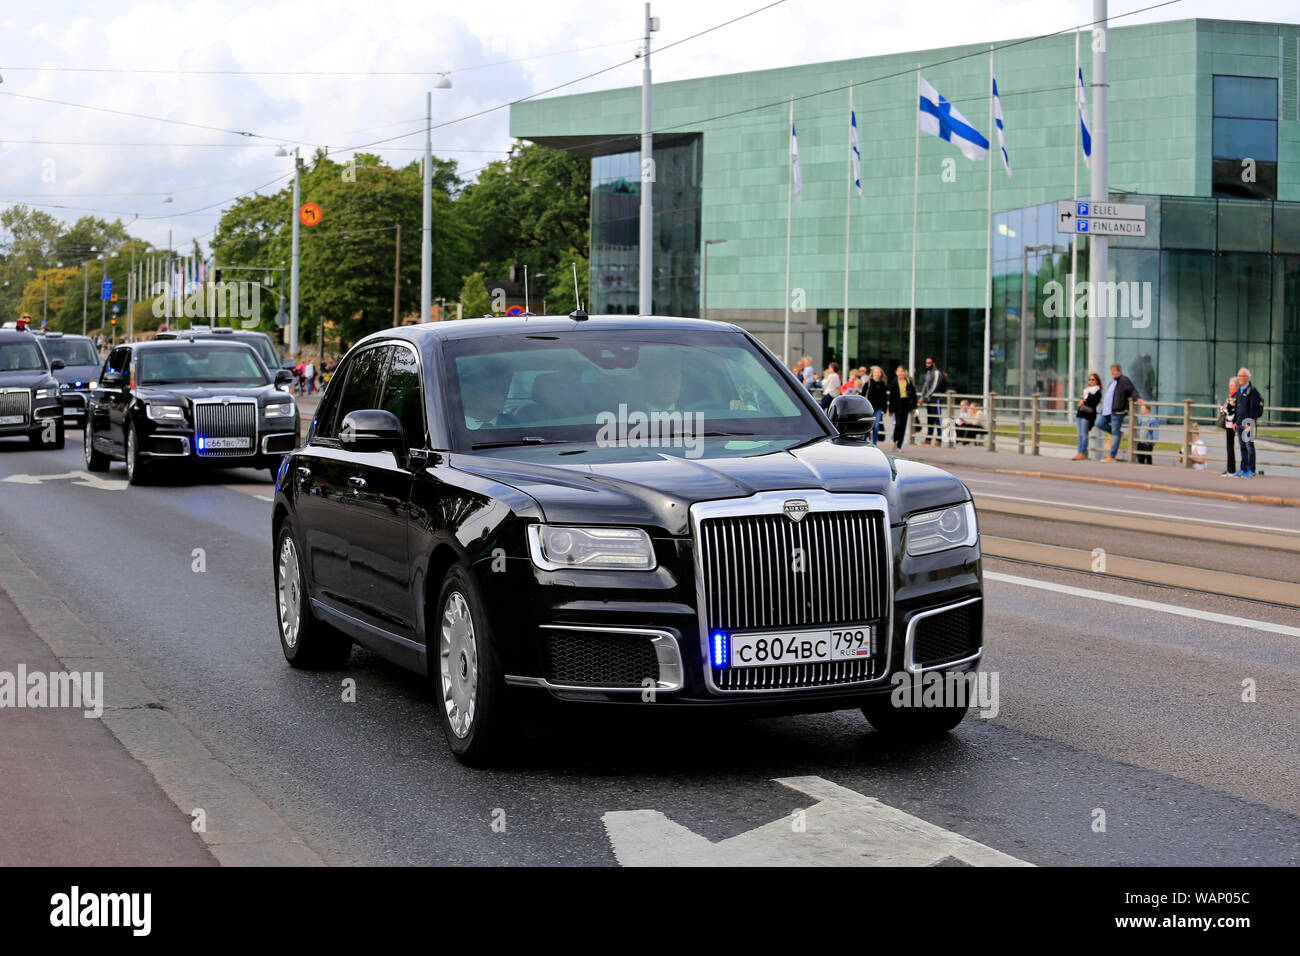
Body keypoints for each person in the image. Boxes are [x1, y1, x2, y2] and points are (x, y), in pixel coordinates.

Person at [1094, 363, 1139, 461]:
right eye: (1111, 371)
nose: (1112, 373)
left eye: (1114, 371)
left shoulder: (1124, 380)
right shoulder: (1112, 382)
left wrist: (1138, 398)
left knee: (1115, 433)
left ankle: (1112, 456)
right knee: (1099, 423)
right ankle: (1119, 434)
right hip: (1107, 410)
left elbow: (1132, 390)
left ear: (1119, 371)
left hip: (1117, 411)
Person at [1233, 367, 1264, 478]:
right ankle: (1243, 468)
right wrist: (1235, 421)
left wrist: (1249, 423)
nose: (1239, 378)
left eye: (1241, 376)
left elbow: (1254, 409)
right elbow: (1237, 407)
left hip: (1248, 423)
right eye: (1238, 376)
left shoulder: (1252, 391)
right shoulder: (1240, 391)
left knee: (1249, 446)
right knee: (1242, 447)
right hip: (1240, 423)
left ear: (1247, 378)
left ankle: (1251, 469)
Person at [1073, 372, 1102, 460]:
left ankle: (1082, 453)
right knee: (1080, 435)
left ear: (1097, 381)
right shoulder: (1086, 390)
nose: (1091, 381)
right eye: (1090, 379)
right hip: (1080, 413)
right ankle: (1079, 452)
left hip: (1088, 415)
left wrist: (1083, 401)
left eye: (1093, 379)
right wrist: (1082, 400)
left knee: (1084, 434)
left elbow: (1093, 403)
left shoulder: (1097, 391)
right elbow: (1082, 401)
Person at [887, 365, 916, 450]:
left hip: (906, 404)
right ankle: (895, 441)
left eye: (901, 371)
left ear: (904, 372)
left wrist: (914, 406)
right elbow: (891, 397)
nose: (900, 373)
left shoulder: (908, 382)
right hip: (897, 405)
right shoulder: (894, 382)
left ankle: (900, 444)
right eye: (898, 371)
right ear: (896, 373)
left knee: (903, 425)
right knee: (898, 424)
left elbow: (913, 395)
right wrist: (890, 410)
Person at [918, 356, 945, 446]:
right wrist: (922, 396)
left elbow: (934, 387)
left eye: (929, 363)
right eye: (926, 363)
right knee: (930, 419)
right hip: (929, 400)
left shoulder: (937, 373)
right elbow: (925, 386)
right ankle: (928, 439)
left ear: (934, 363)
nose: (927, 365)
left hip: (936, 400)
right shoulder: (928, 372)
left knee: (937, 419)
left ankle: (939, 440)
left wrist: (924, 397)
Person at [1219, 377, 1238, 476]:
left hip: (1232, 424)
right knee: (1229, 447)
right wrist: (1224, 409)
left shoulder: (1234, 397)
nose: (1229, 387)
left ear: (1236, 386)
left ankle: (1231, 470)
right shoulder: (1231, 396)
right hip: (1229, 424)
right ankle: (1230, 469)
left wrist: (1224, 409)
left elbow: (1227, 410)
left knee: (1230, 447)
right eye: (1229, 385)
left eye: (1231, 385)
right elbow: (1224, 409)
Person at [864, 366, 888, 444]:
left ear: (881, 374)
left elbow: (884, 398)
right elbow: (863, 395)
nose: (877, 374)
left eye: (879, 372)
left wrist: (885, 410)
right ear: (873, 373)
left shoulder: (883, 384)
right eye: (876, 372)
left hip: (878, 409)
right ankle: (863, 442)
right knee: (867, 427)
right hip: (868, 409)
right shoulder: (868, 383)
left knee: (876, 427)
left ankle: (874, 444)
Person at [1135, 400, 1158, 465]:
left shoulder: (1152, 419)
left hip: (1148, 443)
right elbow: (1137, 429)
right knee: (1140, 459)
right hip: (1140, 442)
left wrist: (1152, 443)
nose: (1141, 410)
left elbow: (1155, 432)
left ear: (1147, 409)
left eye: (1143, 408)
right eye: (1141, 408)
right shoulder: (1140, 418)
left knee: (1148, 459)